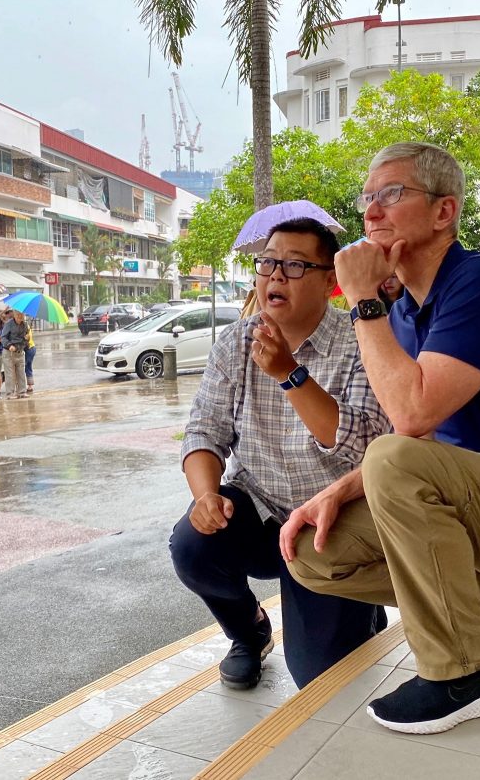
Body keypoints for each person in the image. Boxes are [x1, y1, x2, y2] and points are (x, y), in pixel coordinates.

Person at [280, 143, 480, 734]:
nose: (371, 212)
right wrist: (339, 491)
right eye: (367, 197)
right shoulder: (404, 313)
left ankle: (468, 674)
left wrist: (362, 300)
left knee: (391, 456)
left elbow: (410, 419)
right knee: (313, 552)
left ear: (443, 211)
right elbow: (422, 437)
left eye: (392, 194)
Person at [170, 217, 391, 690]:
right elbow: (204, 430)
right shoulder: (236, 341)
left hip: (332, 519)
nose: (275, 276)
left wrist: (290, 374)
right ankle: (248, 632)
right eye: (268, 263)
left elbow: (363, 443)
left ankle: (361, 608)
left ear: (330, 281)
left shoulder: (360, 340)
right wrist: (206, 496)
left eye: (294, 265)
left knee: (320, 677)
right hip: (260, 507)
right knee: (193, 546)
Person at [0, 308, 29, 398]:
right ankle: (10, 393)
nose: (20, 317)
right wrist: (9, 345)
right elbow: (3, 338)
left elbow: (25, 340)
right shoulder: (9, 324)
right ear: (14, 315)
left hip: (20, 351)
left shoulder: (25, 325)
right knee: (10, 374)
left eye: (22, 315)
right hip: (9, 352)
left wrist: (27, 339)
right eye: (18, 315)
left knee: (21, 373)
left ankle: (22, 392)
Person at [24, 321, 37, 394]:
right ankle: (28, 385)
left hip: (30, 349)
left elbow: (27, 339)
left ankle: (30, 386)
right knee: (26, 367)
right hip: (29, 348)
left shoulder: (26, 327)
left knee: (27, 367)